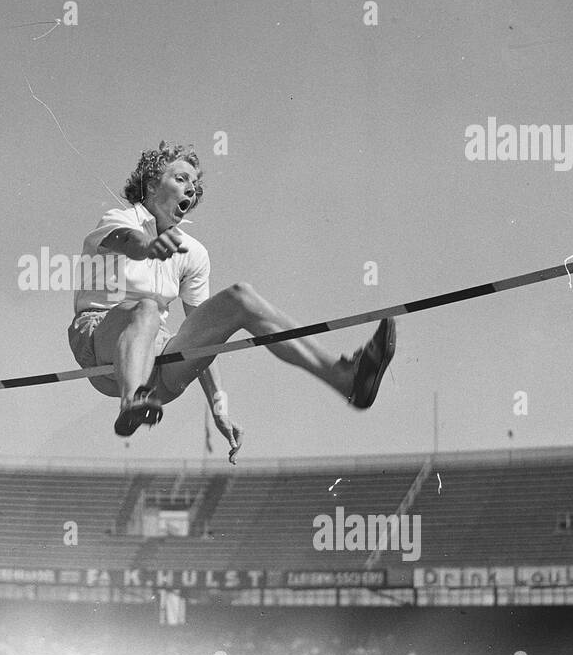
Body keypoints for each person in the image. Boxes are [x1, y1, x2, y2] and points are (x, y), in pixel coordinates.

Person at [68, 143, 396, 456]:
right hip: (100, 346)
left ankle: (346, 379)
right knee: (147, 307)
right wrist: (147, 247)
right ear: (152, 184)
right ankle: (132, 400)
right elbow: (126, 240)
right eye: (180, 179)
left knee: (240, 298)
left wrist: (219, 407)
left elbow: (204, 336)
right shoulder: (121, 219)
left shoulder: (192, 253)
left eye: (194, 185)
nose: (190, 190)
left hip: (160, 362)